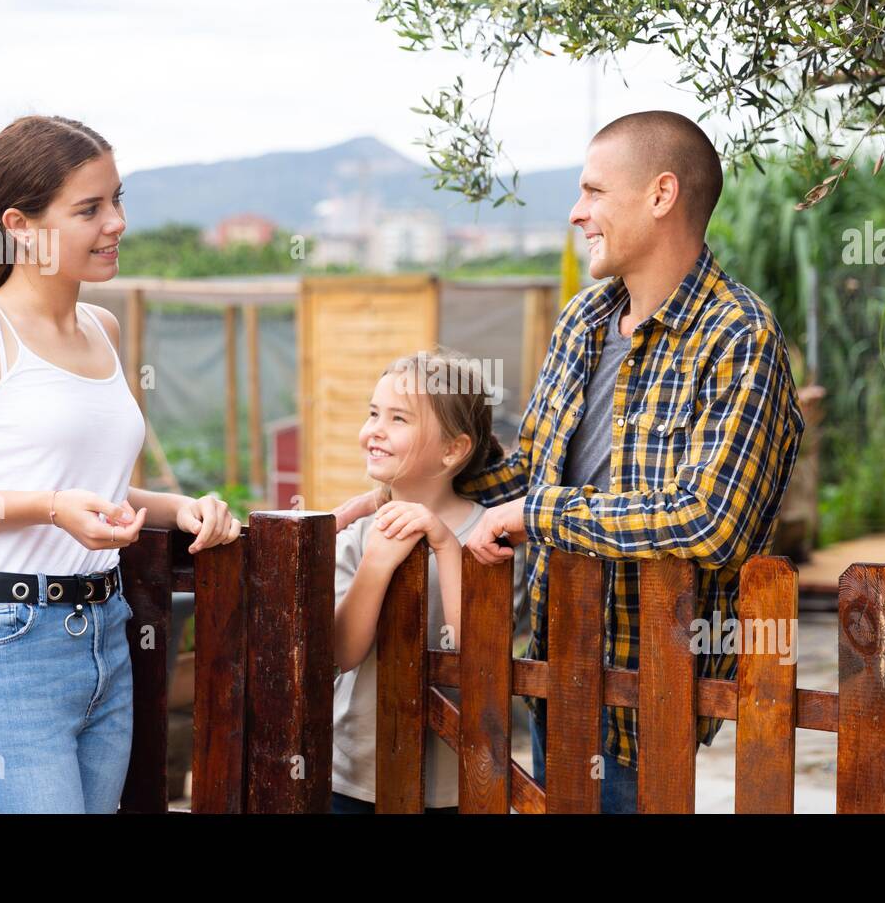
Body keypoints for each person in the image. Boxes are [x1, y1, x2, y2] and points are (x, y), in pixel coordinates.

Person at [0, 114, 241, 813]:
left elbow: (93, 489)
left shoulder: (103, 328)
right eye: (90, 208)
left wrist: (178, 508)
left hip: (103, 638)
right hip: (0, 643)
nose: (117, 223)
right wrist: (45, 508)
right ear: (22, 224)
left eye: (118, 200)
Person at [455, 110, 806, 812]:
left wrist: (537, 514)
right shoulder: (583, 319)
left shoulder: (739, 336)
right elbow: (535, 470)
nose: (577, 213)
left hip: (651, 700)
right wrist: (433, 461)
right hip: (555, 674)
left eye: (593, 192)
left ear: (660, 194)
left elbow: (710, 522)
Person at [330, 347, 525, 813]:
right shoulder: (357, 535)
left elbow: (478, 656)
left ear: (453, 449)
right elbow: (342, 651)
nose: (375, 429)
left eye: (399, 419)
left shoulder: (489, 535)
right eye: (374, 413)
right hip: (354, 775)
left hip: (456, 782)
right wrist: (376, 562)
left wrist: (443, 544)